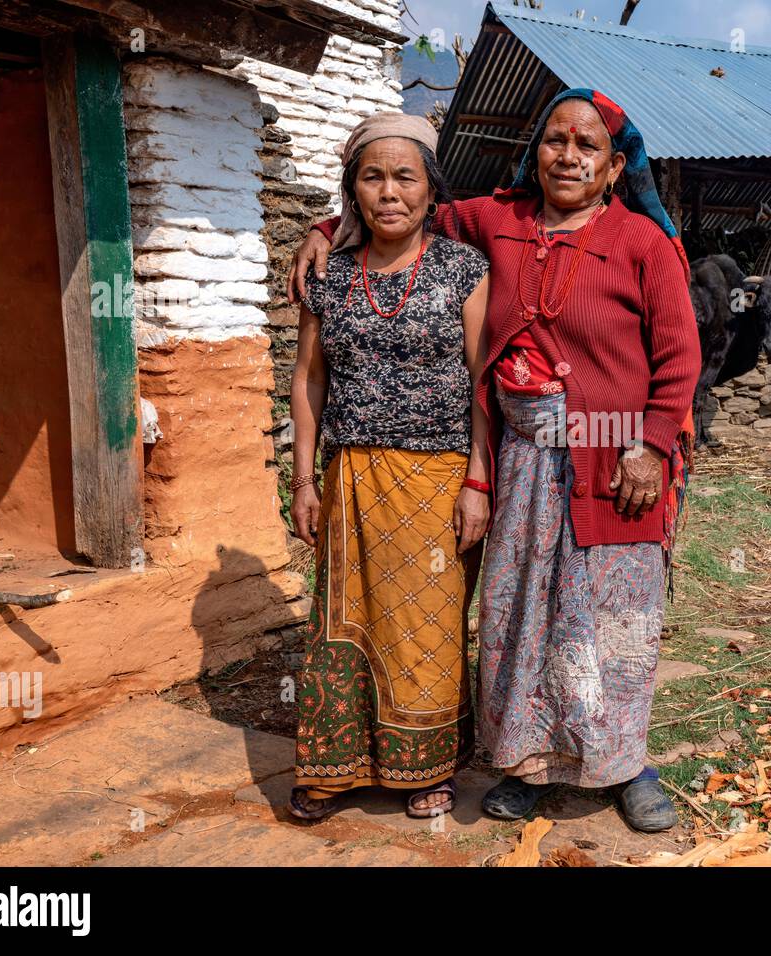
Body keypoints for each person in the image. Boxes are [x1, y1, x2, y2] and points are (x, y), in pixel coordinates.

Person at [289, 90, 700, 832]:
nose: (567, 155)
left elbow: (679, 356)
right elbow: (404, 204)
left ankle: (625, 765)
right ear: (534, 152)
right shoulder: (498, 221)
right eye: (553, 140)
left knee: (612, 620)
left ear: (613, 169)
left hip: (616, 460)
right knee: (518, 615)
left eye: (587, 146)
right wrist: (324, 229)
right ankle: (529, 765)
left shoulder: (643, 244)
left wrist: (653, 444)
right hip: (522, 460)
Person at [287, 113, 490, 821]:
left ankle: (422, 767)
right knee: (342, 622)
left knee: (424, 626)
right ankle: (336, 765)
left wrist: (477, 483)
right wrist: (304, 478)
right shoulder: (329, 274)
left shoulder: (464, 268)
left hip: (436, 479)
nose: (389, 192)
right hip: (349, 475)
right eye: (372, 177)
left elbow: (482, 383)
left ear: (433, 192)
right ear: (353, 192)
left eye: (406, 177)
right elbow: (309, 381)